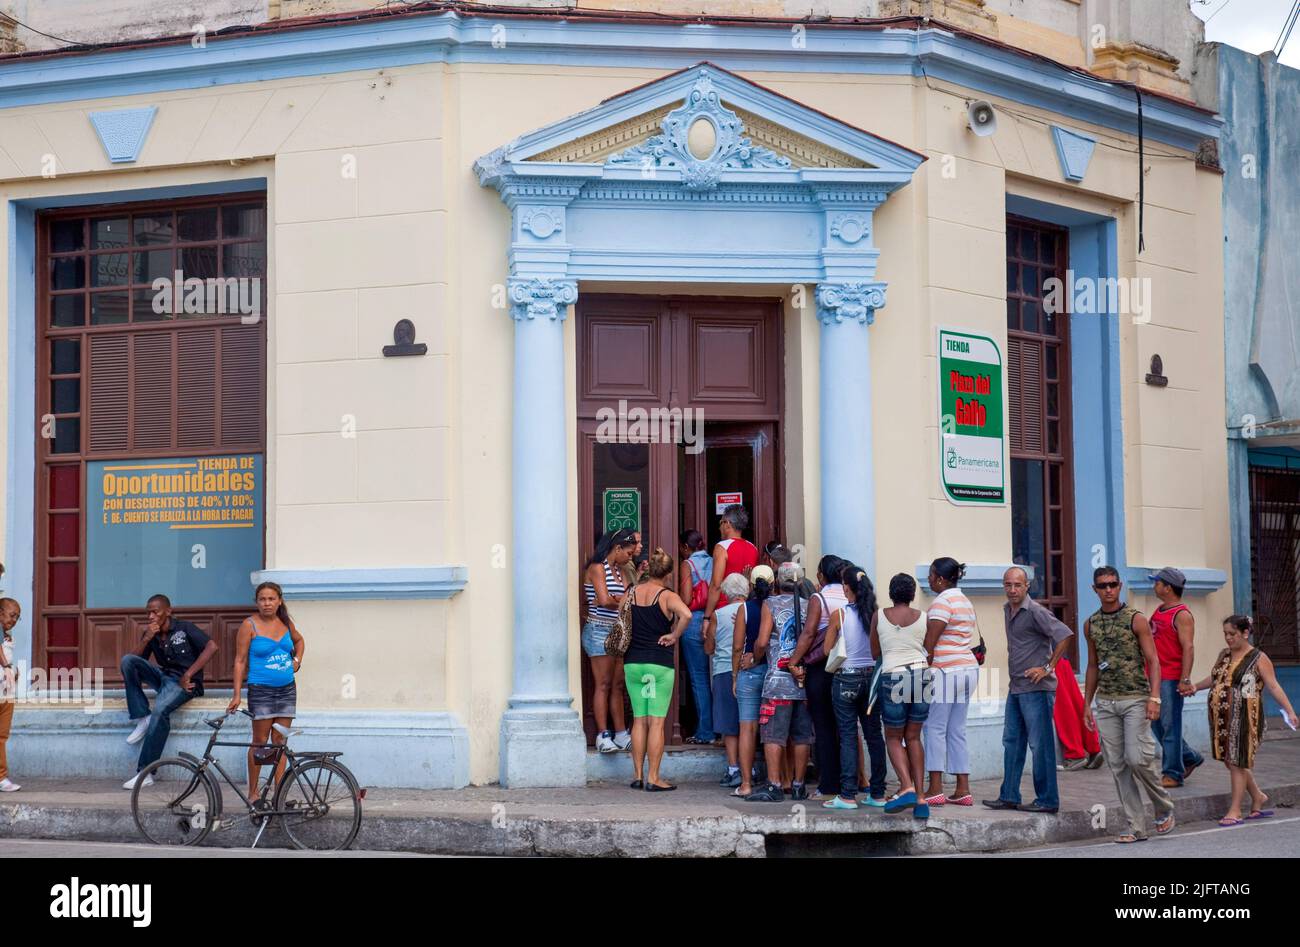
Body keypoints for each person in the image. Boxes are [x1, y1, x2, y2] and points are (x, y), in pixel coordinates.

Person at [1081, 567, 1175, 842]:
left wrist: (1155, 698)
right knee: (1119, 766)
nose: (1108, 590)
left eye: (1112, 584)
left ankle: (1163, 805)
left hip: (1136, 699)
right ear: (1094, 589)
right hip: (1107, 702)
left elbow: (1154, 661)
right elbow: (1092, 666)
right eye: (1102, 586)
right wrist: (1087, 703)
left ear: (1120, 585)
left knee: (1136, 758)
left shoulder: (1136, 620)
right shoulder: (1091, 624)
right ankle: (1135, 826)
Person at [1191, 615, 1299, 825]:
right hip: (1222, 718)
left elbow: (1274, 686)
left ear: (1245, 633)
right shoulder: (1224, 655)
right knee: (1231, 761)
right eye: (1225, 634)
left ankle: (1235, 810)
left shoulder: (1258, 658)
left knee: (1237, 760)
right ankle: (1258, 796)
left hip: (1246, 718)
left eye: (1232, 634)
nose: (1228, 638)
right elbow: (1216, 678)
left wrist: (1290, 711)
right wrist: (1195, 687)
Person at [982, 567, 1073, 813]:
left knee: (1040, 745)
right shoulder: (1007, 609)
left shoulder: (1035, 611)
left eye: (1017, 585)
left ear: (1027, 586)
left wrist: (1047, 667)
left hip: (1037, 689)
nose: (1012, 590)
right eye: (1008, 585)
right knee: (1012, 741)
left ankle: (1047, 800)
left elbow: (1064, 635)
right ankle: (1009, 795)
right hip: (1017, 687)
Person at [120, 594, 219, 790]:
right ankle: (142, 717)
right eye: (148, 612)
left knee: (160, 711)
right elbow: (135, 660)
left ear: (168, 611)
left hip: (185, 683)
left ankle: (145, 773)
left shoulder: (184, 628)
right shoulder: (151, 633)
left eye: (155, 611)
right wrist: (147, 637)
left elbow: (212, 646)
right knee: (127, 661)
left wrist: (188, 674)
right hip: (164, 678)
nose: (150, 616)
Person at [816, 567, 891, 810]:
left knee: (848, 736)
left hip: (846, 678)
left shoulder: (840, 615)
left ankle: (847, 795)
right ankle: (878, 793)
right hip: (871, 678)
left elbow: (827, 650)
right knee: (874, 735)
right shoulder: (877, 615)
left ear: (846, 587)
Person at [227, 581, 305, 798]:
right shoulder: (249, 625)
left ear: (279, 601)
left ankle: (279, 793)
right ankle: (253, 793)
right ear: (257, 602)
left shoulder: (285, 623)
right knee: (260, 743)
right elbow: (240, 660)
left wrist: (297, 660)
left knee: (279, 743)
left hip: (287, 690)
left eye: (271, 599)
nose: (267, 603)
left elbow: (300, 641)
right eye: (262, 599)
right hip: (261, 691)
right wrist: (236, 695)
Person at [623, 548, 692, 791]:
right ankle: (654, 778)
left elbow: (621, 618)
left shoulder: (631, 593)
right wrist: (674, 635)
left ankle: (637, 775)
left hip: (632, 663)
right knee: (656, 723)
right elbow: (687, 614)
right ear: (669, 573)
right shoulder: (666, 596)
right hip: (658, 664)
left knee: (639, 721)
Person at [866, 572, 933, 818]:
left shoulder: (879, 616)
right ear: (913, 594)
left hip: (893, 676)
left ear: (891, 594)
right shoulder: (924, 617)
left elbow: (875, 652)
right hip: (921, 674)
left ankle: (906, 787)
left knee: (893, 737)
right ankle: (922, 799)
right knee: (914, 737)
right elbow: (927, 648)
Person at [745, 561, 813, 802]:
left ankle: (774, 785)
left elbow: (762, 642)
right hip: (805, 681)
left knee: (774, 734)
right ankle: (798, 785)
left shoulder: (770, 604)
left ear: (778, 581)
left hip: (777, 680)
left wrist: (755, 655)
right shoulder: (810, 605)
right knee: (802, 735)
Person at [921, 557, 981, 806]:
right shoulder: (964, 600)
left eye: (932, 575)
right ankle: (962, 789)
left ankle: (935, 788)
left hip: (946, 671)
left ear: (942, 579)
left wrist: (922, 668)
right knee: (957, 730)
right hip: (968, 668)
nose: (929, 580)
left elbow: (929, 644)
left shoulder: (942, 602)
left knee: (934, 728)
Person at [789, 554, 848, 799]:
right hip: (847, 665)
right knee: (845, 728)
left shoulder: (819, 598)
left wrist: (794, 660)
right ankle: (853, 782)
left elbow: (809, 633)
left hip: (823, 666)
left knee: (823, 726)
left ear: (822, 576)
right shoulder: (850, 595)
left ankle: (828, 785)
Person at [1146, 567, 1205, 788]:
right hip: (1155, 677)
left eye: (1157, 582)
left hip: (1170, 677)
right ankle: (1190, 757)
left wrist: (1185, 678)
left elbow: (1188, 647)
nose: (1154, 586)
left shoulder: (1182, 614)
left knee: (1171, 725)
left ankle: (1173, 772)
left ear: (1167, 587)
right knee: (1157, 725)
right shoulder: (1160, 609)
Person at [582, 529, 637, 754]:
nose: (630, 557)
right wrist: (617, 600)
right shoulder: (597, 569)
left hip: (617, 629)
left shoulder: (621, 571)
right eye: (629, 552)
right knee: (603, 684)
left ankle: (621, 733)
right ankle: (603, 734)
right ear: (617, 549)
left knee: (617, 685)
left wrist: (616, 600)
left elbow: (628, 600)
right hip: (598, 630)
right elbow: (605, 600)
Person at [731, 564, 774, 798]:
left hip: (749, 671)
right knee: (774, 729)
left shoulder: (744, 609)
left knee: (747, 728)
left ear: (750, 585)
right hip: (774, 671)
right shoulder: (776, 606)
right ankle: (779, 781)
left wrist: (735, 676)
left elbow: (738, 646)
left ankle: (746, 783)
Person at [707, 572, 751, 787]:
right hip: (750, 669)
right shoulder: (751, 610)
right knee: (747, 721)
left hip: (724, 670)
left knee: (728, 723)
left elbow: (709, 647)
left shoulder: (719, 614)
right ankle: (748, 768)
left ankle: (734, 768)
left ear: (725, 593)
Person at [678, 529, 716, 745]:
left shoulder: (687, 565)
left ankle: (705, 731)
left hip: (693, 622)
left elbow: (685, 597)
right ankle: (720, 729)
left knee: (699, 678)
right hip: (714, 620)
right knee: (716, 677)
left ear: (685, 547)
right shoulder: (714, 560)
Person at [702, 504, 759, 627]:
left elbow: (716, 586)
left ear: (727, 523)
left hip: (724, 608)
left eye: (721, 522)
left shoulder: (722, 547)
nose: (719, 527)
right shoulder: (753, 548)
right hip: (745, 609)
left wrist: (706, 617)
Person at [0, 598, 22, 792]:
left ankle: (1, 777)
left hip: (6, 694)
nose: (14, 620)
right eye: (12, 615)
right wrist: (7, 667)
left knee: (2, 736)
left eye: (17, 617)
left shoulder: (7, 638)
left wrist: (14, 672)